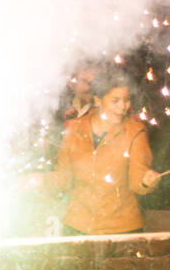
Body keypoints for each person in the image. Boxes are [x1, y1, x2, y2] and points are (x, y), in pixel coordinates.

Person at [30, 69, 162, 234]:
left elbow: (137, 180)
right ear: (98, 100)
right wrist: (40, 181)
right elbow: (63, 176)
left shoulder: (135, 132)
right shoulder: (74, 128)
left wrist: (145, 181)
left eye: (126, 100)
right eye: (115, 100)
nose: (123, 107)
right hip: (77, 226)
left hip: (122, 229)